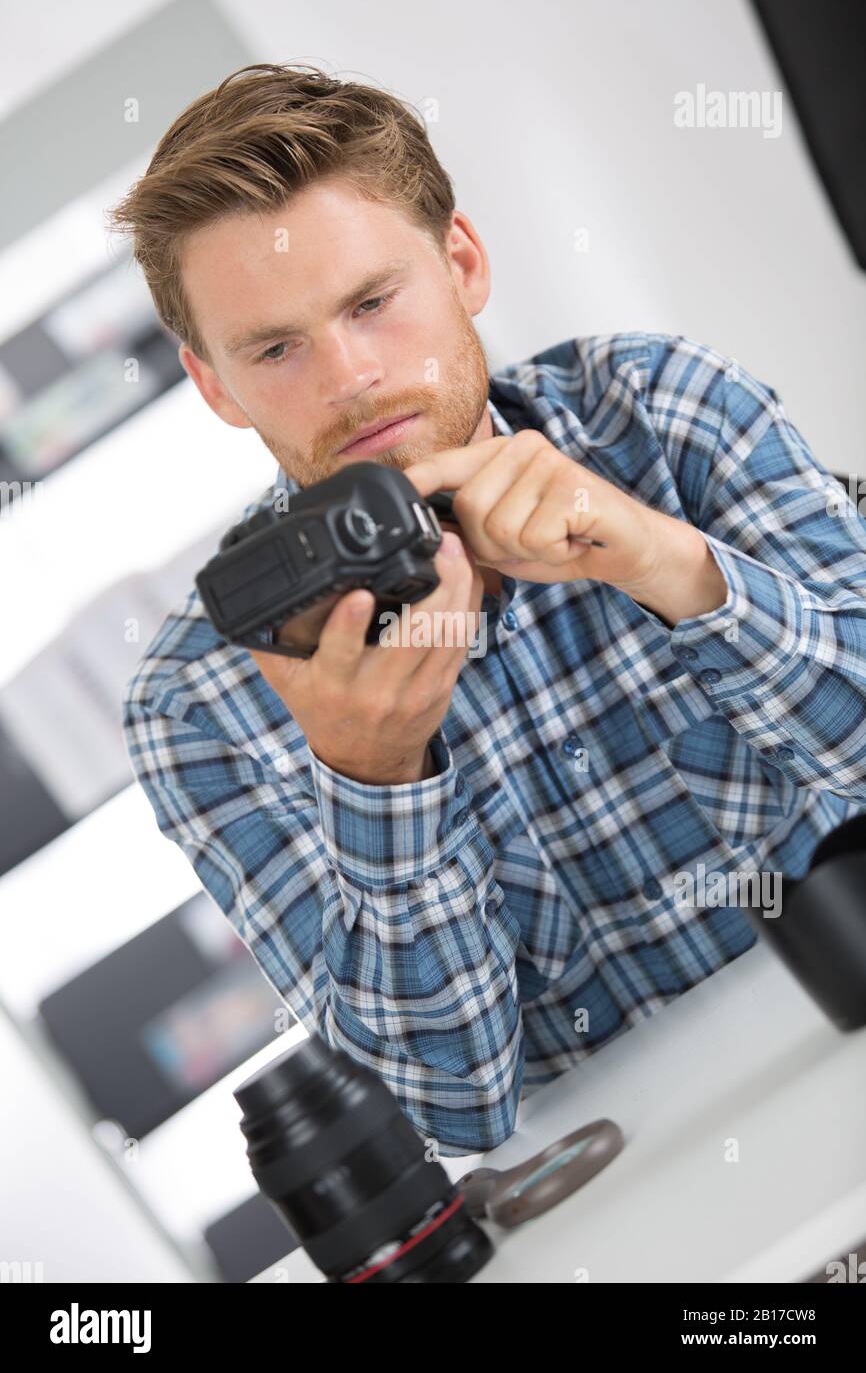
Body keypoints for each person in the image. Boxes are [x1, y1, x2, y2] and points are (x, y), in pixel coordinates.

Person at [109, 63, 866, 1157]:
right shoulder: (199, 704)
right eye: (275, 348)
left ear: (461, 262)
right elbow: (449, 1111)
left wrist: (671, 567)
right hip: (639, 1198)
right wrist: (375, 782)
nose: (350, 377)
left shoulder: (661, 410)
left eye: (372, 303)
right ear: (216, 385)